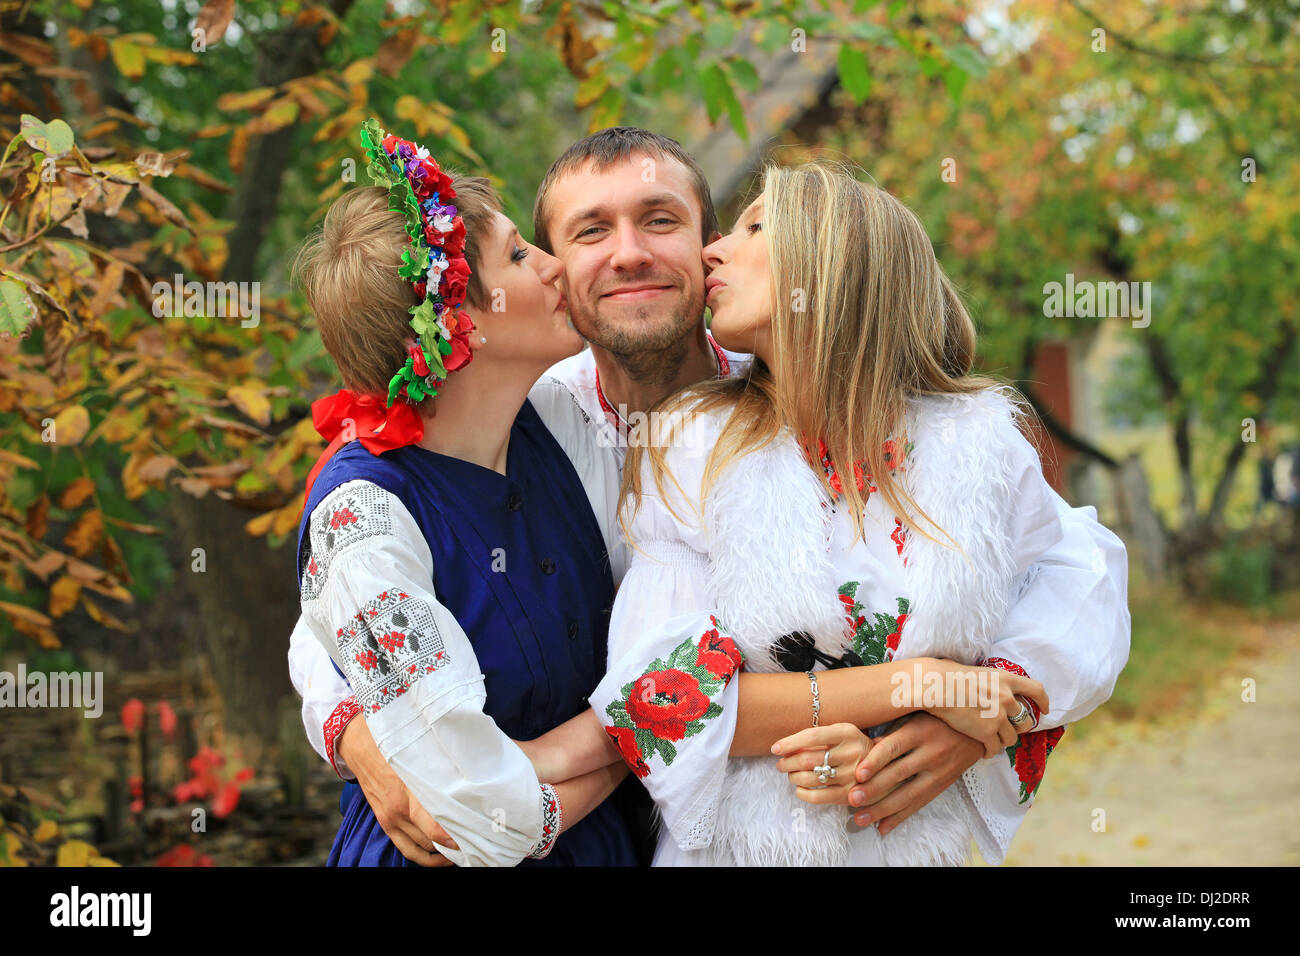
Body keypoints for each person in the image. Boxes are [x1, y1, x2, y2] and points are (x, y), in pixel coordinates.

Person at [288, 127, 1130, 865]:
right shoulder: (525, 417)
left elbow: (1074, 569)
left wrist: (965, 718)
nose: (628, 253)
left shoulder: (810, 402)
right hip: (604, 827)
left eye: (659, 220)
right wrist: (358, 735)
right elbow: (344, 603)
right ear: (554, 265)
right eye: (587, 232)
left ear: (707, 244)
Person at [291, 119, 636, 867]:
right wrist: (642, 733)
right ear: (459, 326)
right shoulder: (362, 518)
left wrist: (535, 760)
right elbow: (471, 821)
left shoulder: (565, 420)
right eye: (518, 253)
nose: (551, 267)